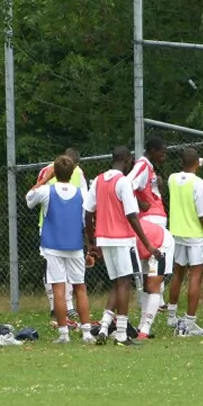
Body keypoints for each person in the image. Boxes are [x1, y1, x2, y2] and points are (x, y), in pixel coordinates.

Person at [84, 146, 161, 346]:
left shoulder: (98, 180)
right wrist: (149, 245)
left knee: (118, 282)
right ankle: (120, 334)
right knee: (125, 284)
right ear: (127, 160)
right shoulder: (124, 182)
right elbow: (132, 216)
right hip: (122, 239)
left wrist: (91, 242)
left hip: (103, 239)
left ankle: (103, 327)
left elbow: (87, 212)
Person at [26, 155, 94, 344]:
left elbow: (29, 198)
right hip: (75, 246)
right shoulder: (82, 193)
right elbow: (87, 220)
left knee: (59, 289)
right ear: (73, 172)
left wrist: (45, 179)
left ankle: (64, 333)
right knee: (80, 288)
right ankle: (87, 332)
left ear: (54, 172)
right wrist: (90, 246)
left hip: (52, 246)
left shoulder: (46, 191)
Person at [165, 148, 203, 336]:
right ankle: (189, 323)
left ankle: (171, 316)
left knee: (178, 273)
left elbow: (185, 174)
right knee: (195, 276)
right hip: (195, 235)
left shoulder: (172, 179)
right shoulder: (199, 183)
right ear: (197, 163)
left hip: (177, 233)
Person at [36, 148, 87, 322]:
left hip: (57, 228)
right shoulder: (51, 170)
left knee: (57, 274)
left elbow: (34, 194)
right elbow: (85, 203)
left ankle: (64, 308)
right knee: (69, 277)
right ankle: (61, 307)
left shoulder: (51, 171)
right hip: (61, 228)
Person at [128, 135, 171, 315]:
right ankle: (156, 299)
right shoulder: (142, 165)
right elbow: (127, 184)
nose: (164, 156)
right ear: (152, 151)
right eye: (162, 152)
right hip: (150, 219)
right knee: (157, 260)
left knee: (150, 264)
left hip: (155, 217)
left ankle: (150, 305)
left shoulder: (150, 167)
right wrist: (138, 203)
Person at [134, 220, 175, 340]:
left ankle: (145, 329)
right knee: (146, 287)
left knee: (153, 287)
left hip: (160, 244)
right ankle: (141, 326)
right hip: (145, 249)